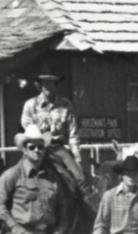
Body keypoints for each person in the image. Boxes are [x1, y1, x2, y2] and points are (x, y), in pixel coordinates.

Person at [20, 63, 90, 197]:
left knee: (80, 178)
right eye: (45, 82)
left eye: (52, 82)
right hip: (37, 148)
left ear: (56, 84)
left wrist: (78, 160)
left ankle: (90, 214)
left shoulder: (66, 105)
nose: (48, 86)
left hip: (59, 148)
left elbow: (73, 135)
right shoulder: (30, 105)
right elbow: (28, 131)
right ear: (40, 84)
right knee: (22, 178)